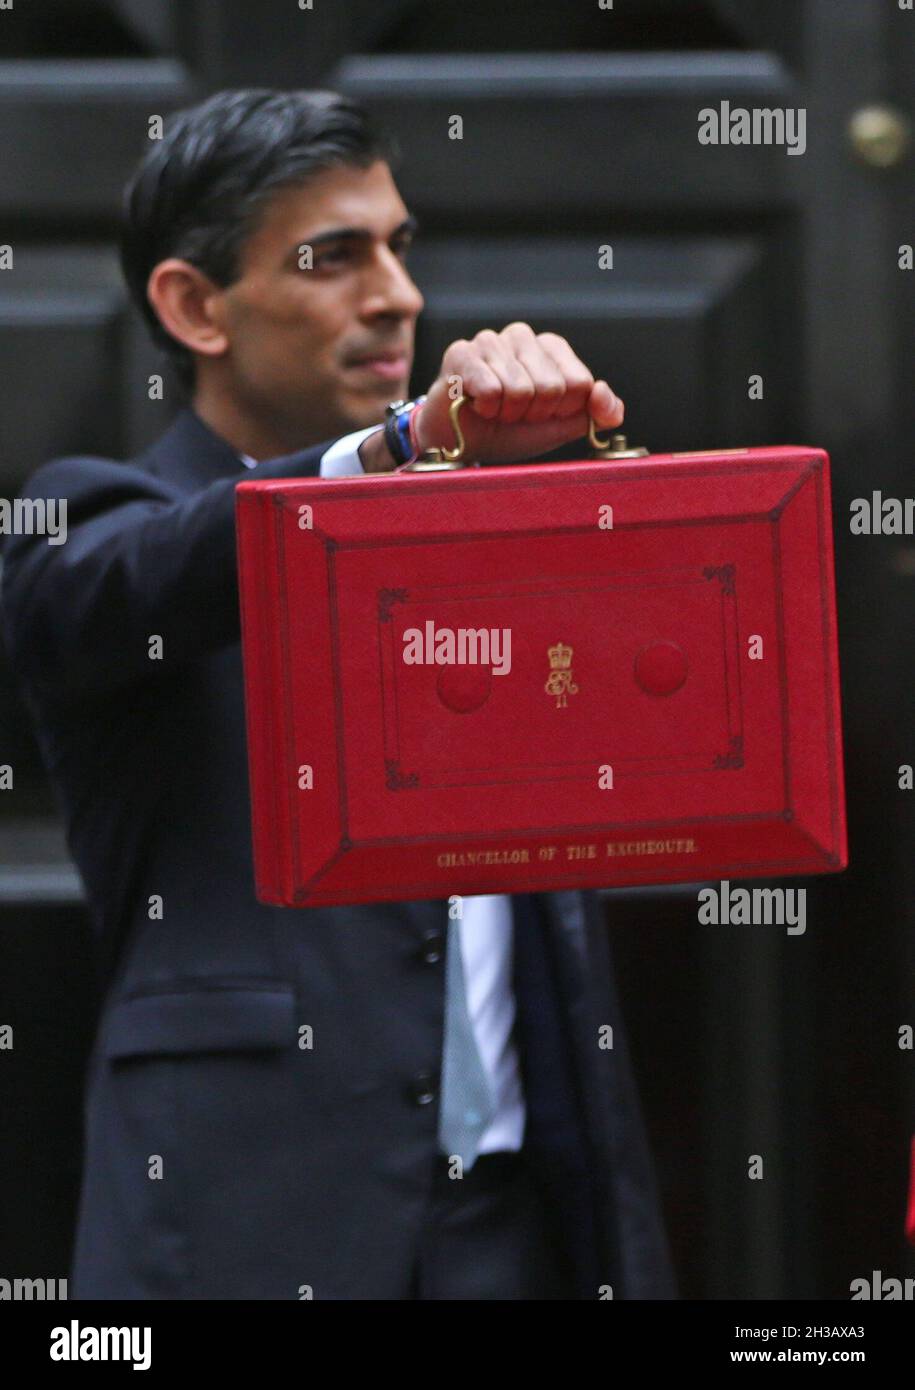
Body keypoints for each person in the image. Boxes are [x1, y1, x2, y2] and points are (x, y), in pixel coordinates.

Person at [1, 88, 675, 1300]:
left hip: (519, 1234)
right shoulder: (100, 522)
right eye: (334, 255)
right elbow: (131, 584)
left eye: (401, 248)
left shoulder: (474, 523)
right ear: (193, 305)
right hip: (241, 1237)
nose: (397, 295)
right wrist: (396, 454)